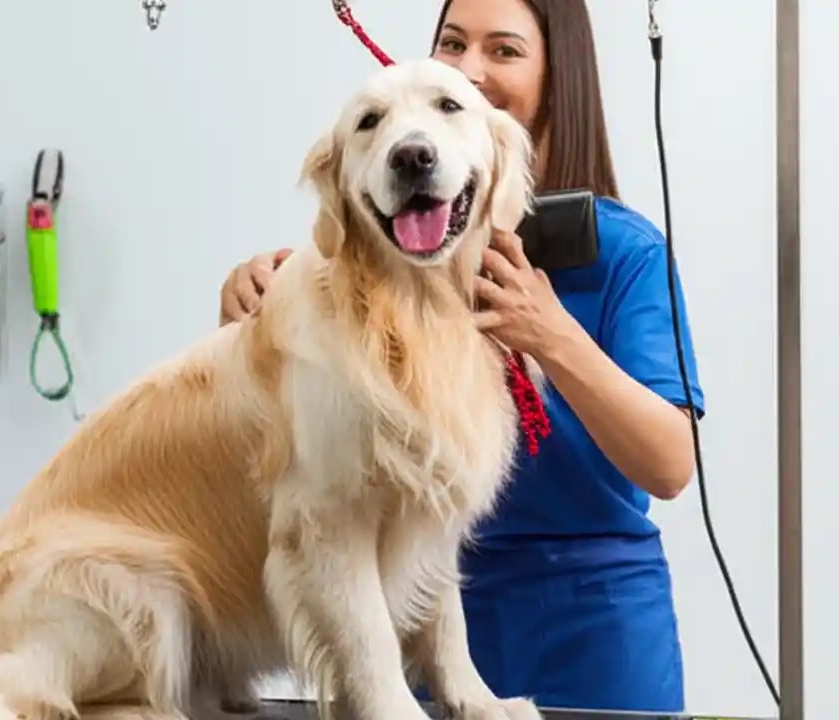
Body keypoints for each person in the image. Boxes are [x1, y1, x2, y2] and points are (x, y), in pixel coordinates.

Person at [218, 0, 703, 713]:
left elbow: (669, 463)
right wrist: (259, 307)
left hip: (595, 626)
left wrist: (552, 335)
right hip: (421, 615)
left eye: (503, 50)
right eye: (452, 43)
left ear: (555, 75)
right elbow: (306, 460)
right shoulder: (381, 259)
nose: (470, 68)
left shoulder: (625, 254)